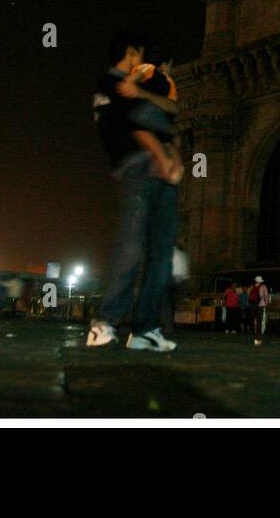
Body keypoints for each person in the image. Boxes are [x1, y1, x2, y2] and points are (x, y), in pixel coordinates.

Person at [86, 30, 183, 352]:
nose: (145, 62)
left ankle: (145, 329)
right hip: (141, 169)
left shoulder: (127, 84)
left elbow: (165, 124)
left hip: (153, 169)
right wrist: (164, 157)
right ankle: (105, 323)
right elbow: (140, 124)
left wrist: (173, 159)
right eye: (140, 55)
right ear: (130, 53)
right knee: (133, 247)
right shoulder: (118, 84)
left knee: (160, 255)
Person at [248, 275, 270, 343]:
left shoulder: (251, 286)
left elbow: (248, 294)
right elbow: (266, 295)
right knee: (259, 319)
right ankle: (258, 332)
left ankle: (251, 331)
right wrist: (266, 303)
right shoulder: (263, 287)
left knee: (252, 318)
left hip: (252, 305)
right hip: (260, 305)